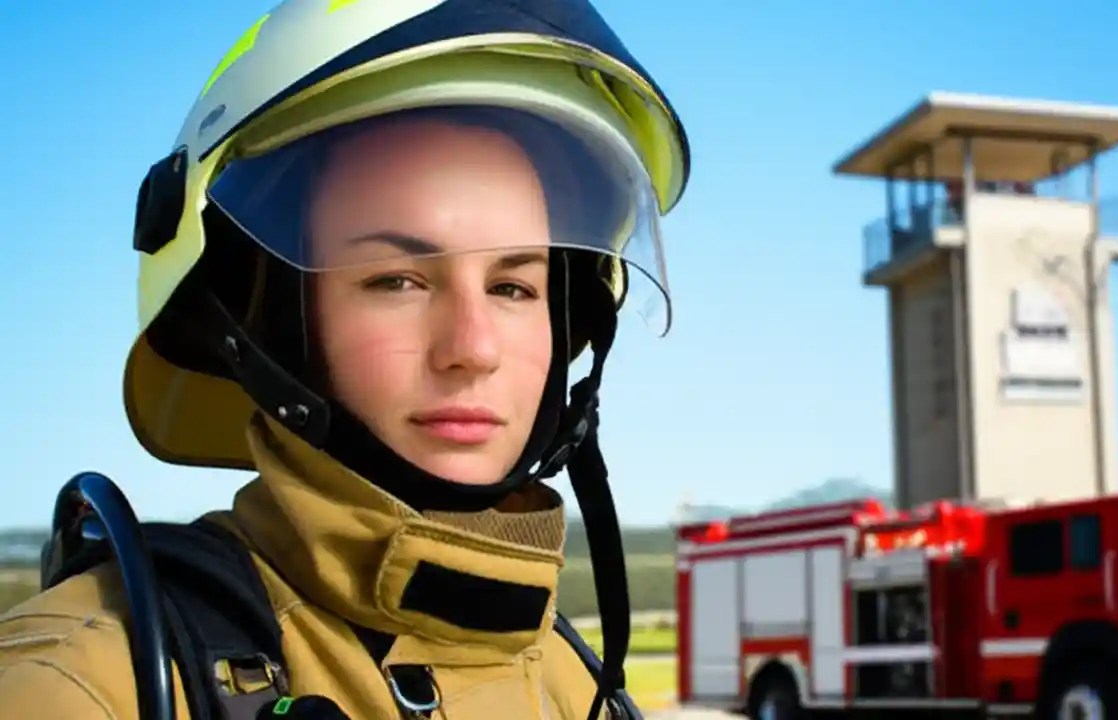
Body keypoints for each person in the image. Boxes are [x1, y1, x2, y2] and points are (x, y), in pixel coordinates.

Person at [0, 0, 690, 718]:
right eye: (397, 281)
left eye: (513, 287)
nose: (474, 350)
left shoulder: (570, 677)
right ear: (268, 320)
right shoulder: (84, 684)